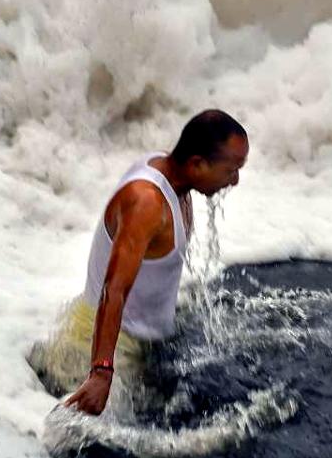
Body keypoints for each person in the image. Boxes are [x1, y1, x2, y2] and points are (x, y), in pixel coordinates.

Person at [28, 109, 249, 416]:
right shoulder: (146, 202)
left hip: (136, 341)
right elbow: (114, 288)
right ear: (197, 163)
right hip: (102, 349)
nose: (235, 180)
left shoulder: (172, 174)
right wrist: (101, 372)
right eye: (231, 170)